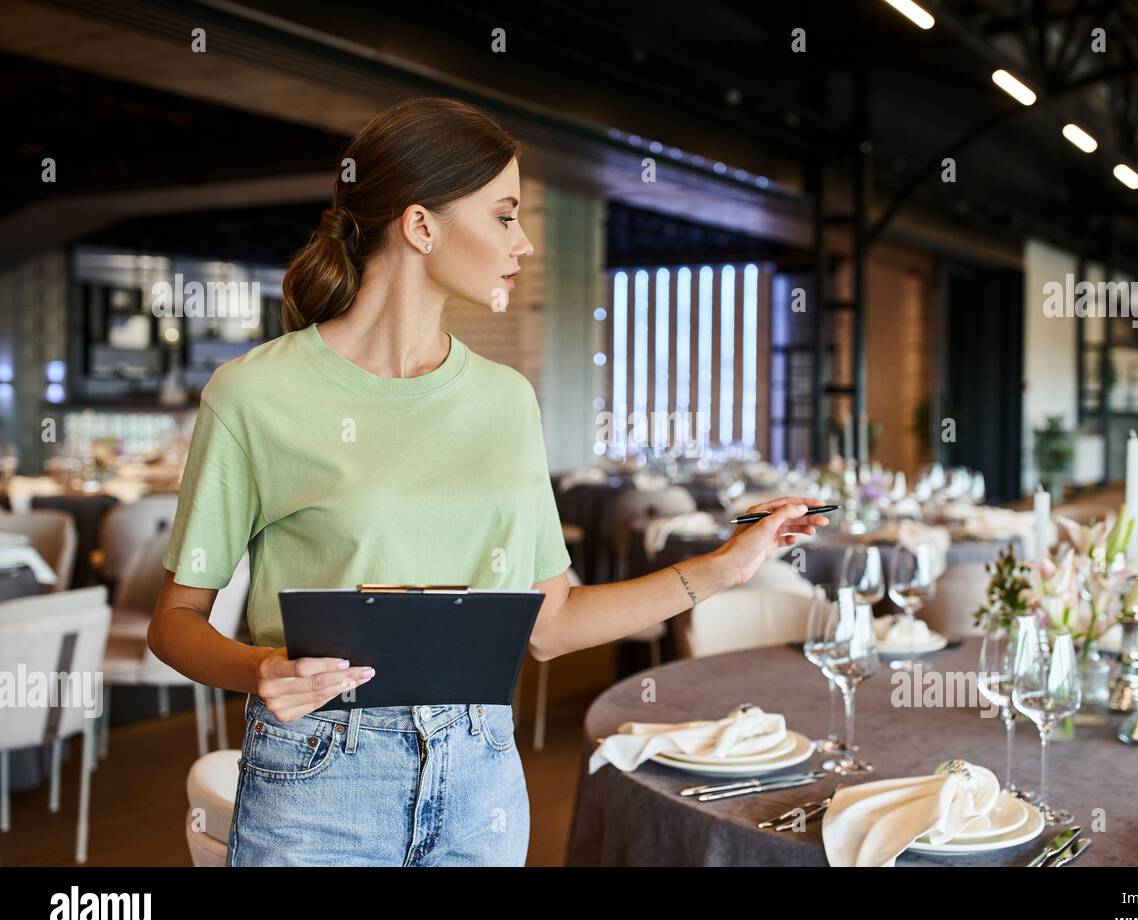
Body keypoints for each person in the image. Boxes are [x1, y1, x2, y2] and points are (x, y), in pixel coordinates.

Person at [147, 96, 828, 866]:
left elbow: (550, 625)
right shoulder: (254, 395)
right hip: (318, 778)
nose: (526, 242)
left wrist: (728, 566)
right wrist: (261, 669)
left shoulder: (506, 401)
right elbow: (174, 622)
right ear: (421, 226)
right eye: (505, 215)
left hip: (481, 777)